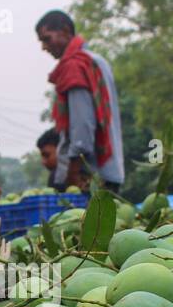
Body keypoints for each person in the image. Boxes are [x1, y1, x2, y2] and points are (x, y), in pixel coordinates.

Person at [35, 10, 124, 191]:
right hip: (110, 171)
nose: (44, 47)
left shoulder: (75, 65)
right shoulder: (97, 61)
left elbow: (82, 128)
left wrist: (72, 177)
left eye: (47, 39)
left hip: (87, 178)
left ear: (66, 31)